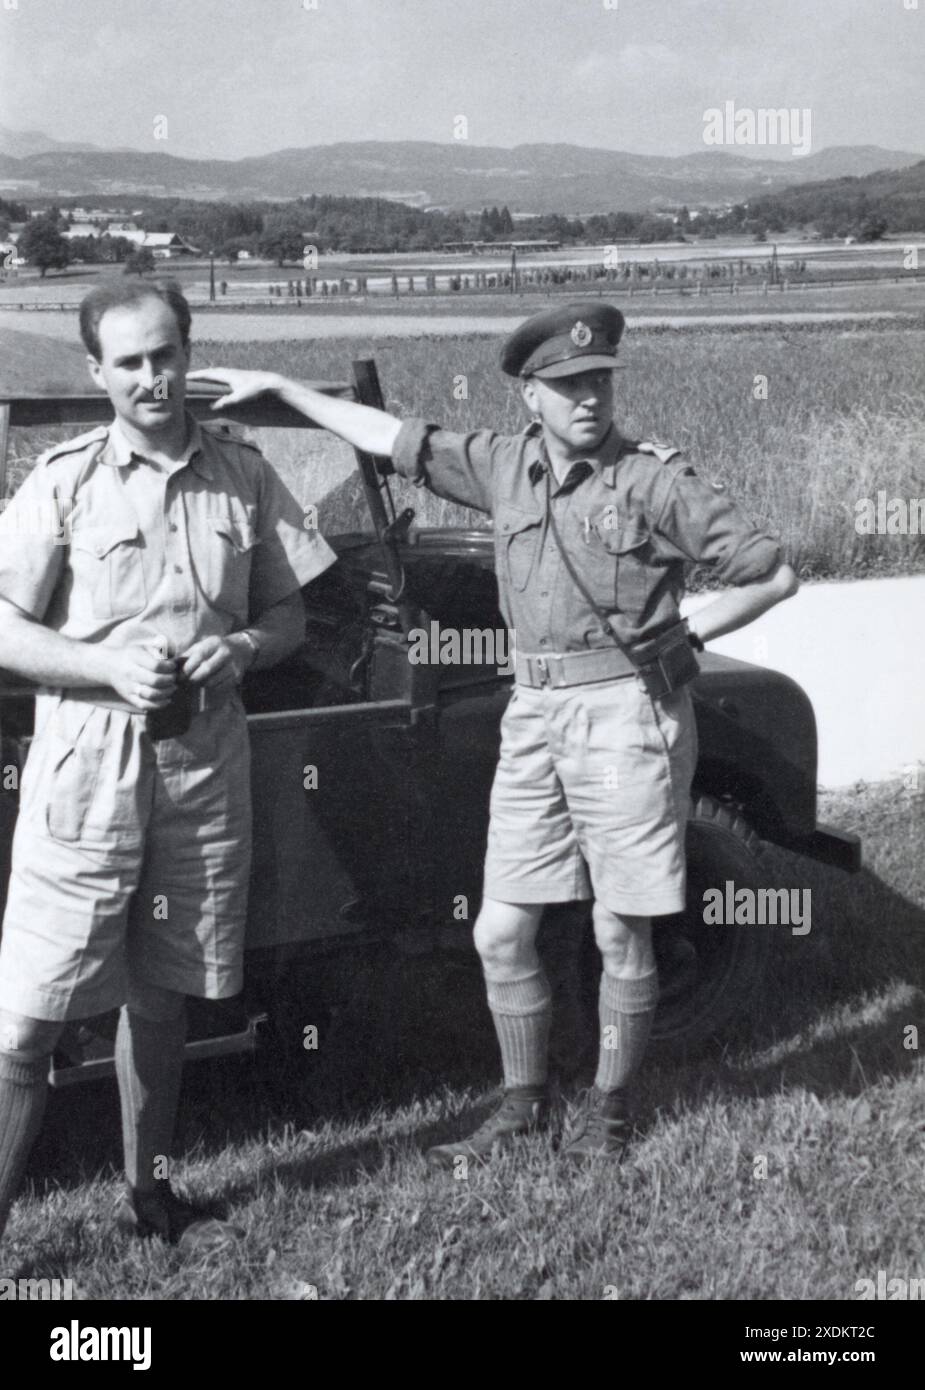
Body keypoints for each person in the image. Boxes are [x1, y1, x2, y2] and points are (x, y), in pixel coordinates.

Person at [188, 299, 798, 1166]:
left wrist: (689, 633)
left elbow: (771, 572)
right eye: (567, 385)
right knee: (499, 931)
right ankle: (523, 1107)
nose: (588, 398)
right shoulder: (502, 467)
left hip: (626, 716)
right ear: (530, 398)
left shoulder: (654, 479)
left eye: (598, 381)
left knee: (621, 930)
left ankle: (609, 1111)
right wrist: (285, 388)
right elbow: (391, 436)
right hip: (533, 717)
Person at [0, 280, 335, 1246]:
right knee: (28, 1020)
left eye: (166, 355)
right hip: (84, 770)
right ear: (95, 372)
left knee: (164, 993)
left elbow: (290, 615)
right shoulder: (64, 479)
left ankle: (150, 1197)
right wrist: (103, 664)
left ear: (190, 353)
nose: (153, 378)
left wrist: (239, 651)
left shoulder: (245, 473)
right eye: (130, 362)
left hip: (201, 764)